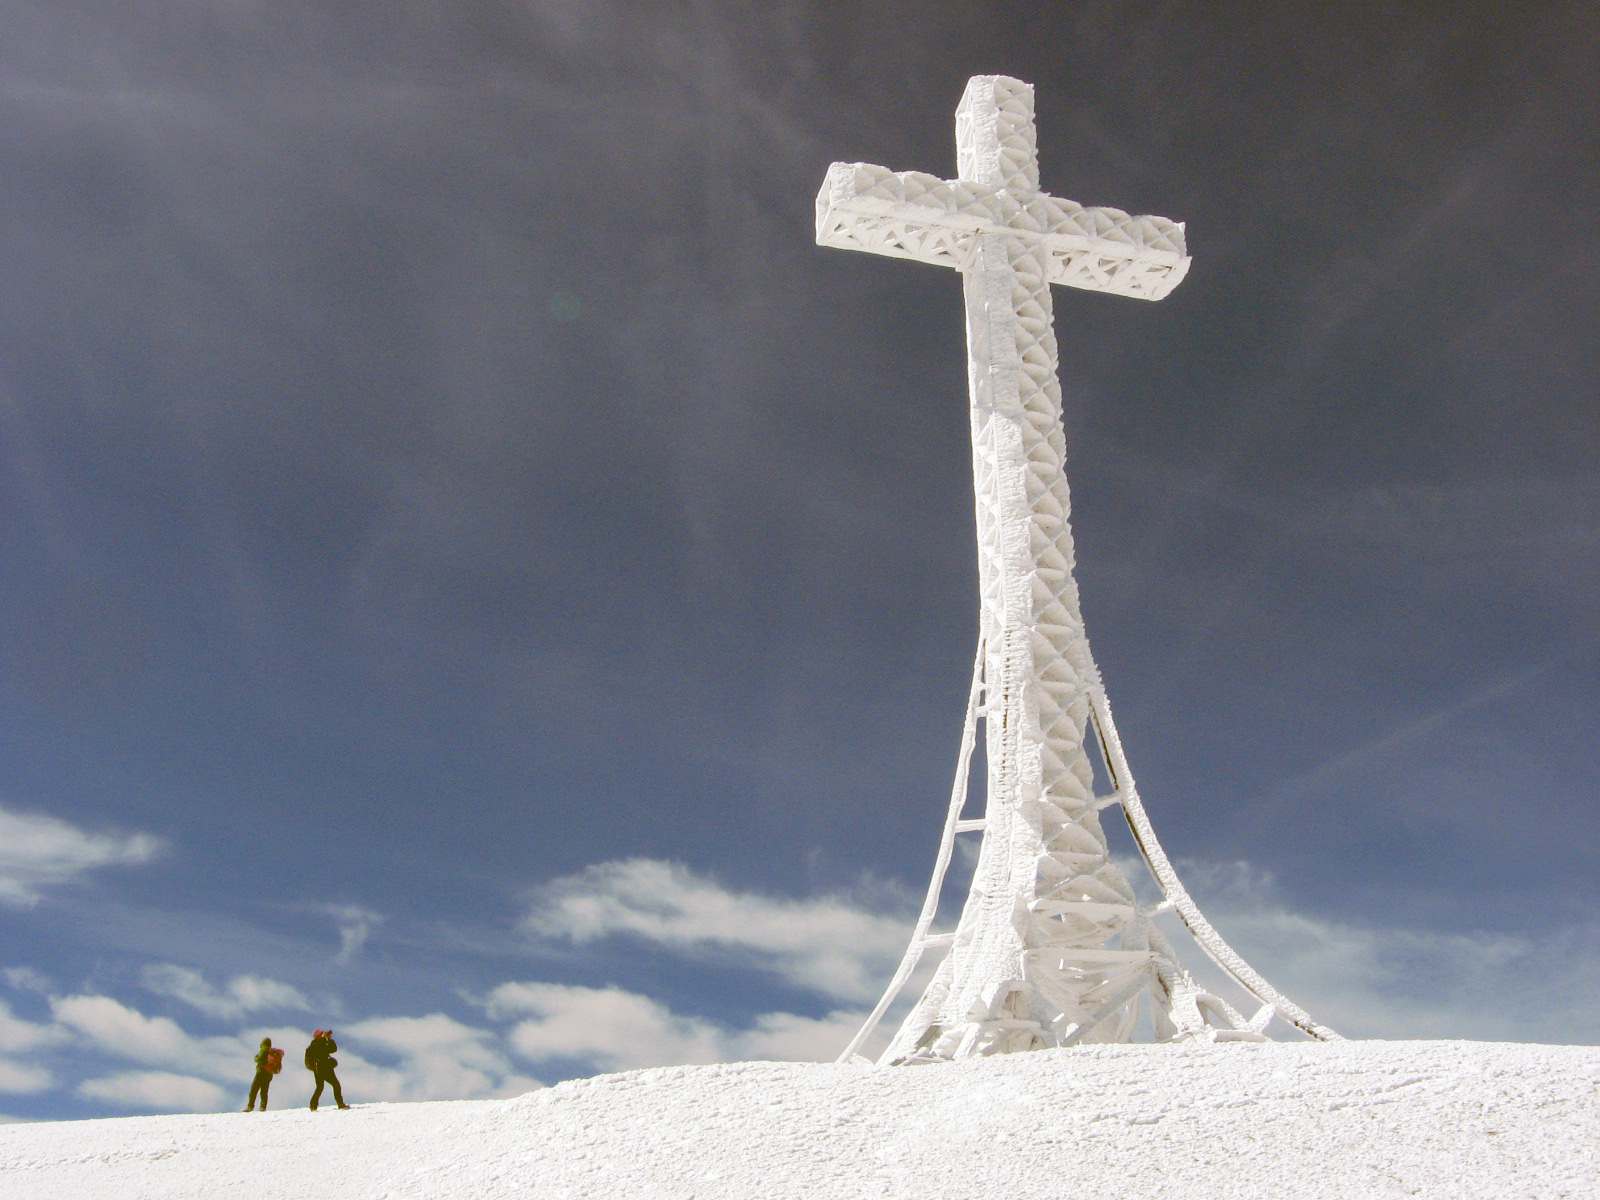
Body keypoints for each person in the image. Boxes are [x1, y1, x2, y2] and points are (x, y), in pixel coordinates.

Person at [304, 1028, 349, 1110]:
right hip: (322, 1067)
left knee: (320, 1087)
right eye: (322, 1034)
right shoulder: (316, 1044)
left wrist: (329, 1038)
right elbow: (327, 1049)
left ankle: (313, 1106)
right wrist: (327, 1039)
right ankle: (340, 1104)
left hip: (321, 1068)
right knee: (335, 1085)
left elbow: (333, 1049)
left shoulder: (321, 1043)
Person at [244, 1037, 275, 1111]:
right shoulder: (272, 1052)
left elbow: (259, 1059)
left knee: (254, 1090)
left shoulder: (264, 1049)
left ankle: (250, 1106)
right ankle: (263, 1107)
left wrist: (255, 1058)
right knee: (264, 1091)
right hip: (269, 1074)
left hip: (261, 1072)